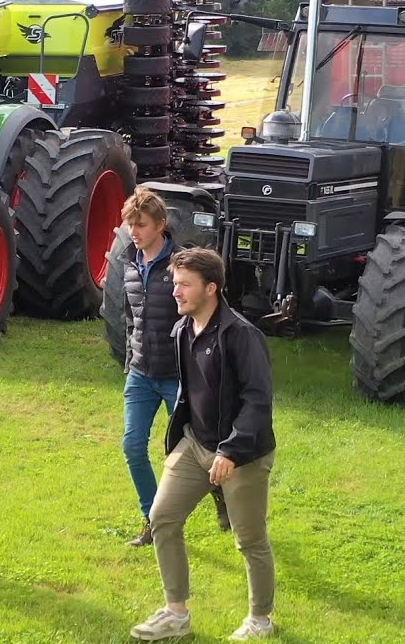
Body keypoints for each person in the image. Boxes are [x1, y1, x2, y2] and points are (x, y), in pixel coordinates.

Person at [130, 248, 278, 642]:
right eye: (174, 283)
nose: (175, 292)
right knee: (162, 517)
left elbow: (258, 401)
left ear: (211, 288)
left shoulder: (241, 335)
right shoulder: (182, 331)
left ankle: (261, 620)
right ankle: (176, 614)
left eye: (184, 285)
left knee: (250, 539)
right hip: (194, 445)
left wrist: (231, 451)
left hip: (243, 454)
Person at [119, 188, 230, 548]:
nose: (134, 232)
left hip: (177, 376)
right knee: (133, 447)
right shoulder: (129, 264)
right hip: (140, 374)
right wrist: (128, 359)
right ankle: (153, 521)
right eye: (130, 225)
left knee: (194, 451)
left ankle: (220, 494)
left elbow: (207, 318)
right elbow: (130, 318)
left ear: (161, 225)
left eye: (140, 225)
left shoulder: (183, 270)